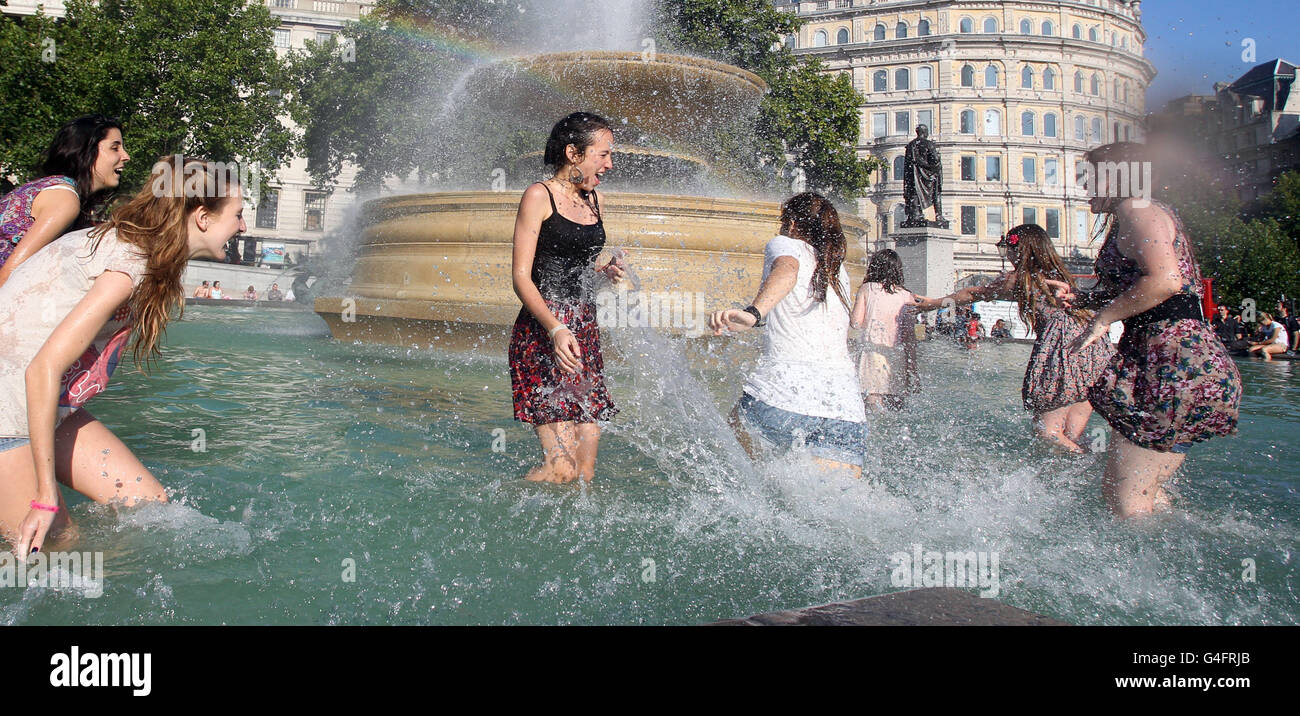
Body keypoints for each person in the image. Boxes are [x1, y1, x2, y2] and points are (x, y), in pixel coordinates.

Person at [0, 157, 247, 554]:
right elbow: (42, 367)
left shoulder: (143, 254)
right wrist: (45, 496)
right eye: (237, 214)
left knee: (149, 508)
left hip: (39, 404)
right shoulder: (129, 263)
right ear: (203, 217)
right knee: (56, 548)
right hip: (5, 410)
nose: (242, 226)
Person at [1057, 142, 1241, 518]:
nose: (1082, 186)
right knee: (1147, 494)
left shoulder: (1139, 211)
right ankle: (1171, 563)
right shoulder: (1138, 214)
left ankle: (1135, 574)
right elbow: (1144, 288)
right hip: (1184, 366)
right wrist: (1080, 300)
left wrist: (1103, 318)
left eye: (1088, 177)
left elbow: (1166, 281)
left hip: (1170, 366)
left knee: (1125, 501)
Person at [709, 192, 867, 477]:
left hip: (781, 398)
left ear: (792, 224)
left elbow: (787, 270)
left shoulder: (786, 244)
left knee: (740, 451)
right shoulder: (837, 270)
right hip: (846, 413)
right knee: (834, 507)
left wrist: (753, 313)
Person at [509, 112, 625, 483]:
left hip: (583, 331)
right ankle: (503, 506)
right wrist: (556, 328)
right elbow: (521, 277)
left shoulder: (596, 201)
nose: (609, 164)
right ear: (574, 153)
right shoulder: (538, 196)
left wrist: (604, 275)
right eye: (602, 154)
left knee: (585, 470)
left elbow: (576, 273)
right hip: (545, 333)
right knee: (561, 469)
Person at [936, 225, 1115, 452]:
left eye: (1010, 249)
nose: (1008, 255)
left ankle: (1097, 467)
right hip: (1092, 349)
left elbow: (973, 293)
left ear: (1020, 251)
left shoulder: (1022, 279)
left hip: (1063, 349)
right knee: (1071, 435)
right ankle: (1098, 468)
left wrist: (932, 303)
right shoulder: (1061, 275)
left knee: (1047, 432)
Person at [0, 115, 129, 289]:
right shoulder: (64, 200)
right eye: (115, 148)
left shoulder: (51, 188)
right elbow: (9, 275)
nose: (126, 156)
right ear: (86, 152)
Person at [850, 249, 942, 411]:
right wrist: (912, 370)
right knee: (897, 408)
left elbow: (856, 323)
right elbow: (909, 338)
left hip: (871, 355)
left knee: (873, 406)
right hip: (896, 356)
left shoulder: (867, 289)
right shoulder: (906, 295)